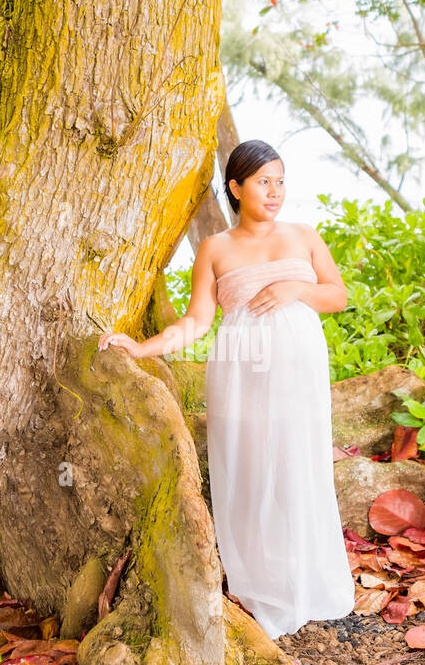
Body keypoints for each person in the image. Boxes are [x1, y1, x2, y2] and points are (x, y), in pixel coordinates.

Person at [97, 139, 356, 639]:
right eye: (264, 182)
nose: (275, 191)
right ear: (236, 188)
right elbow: (196, 321)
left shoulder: (304, 236)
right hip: (243, 371)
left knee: (300, 463)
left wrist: (295, 289)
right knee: (253, 466)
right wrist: (142, 348)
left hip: (300, 370)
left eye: (281, 180)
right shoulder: (217, 248)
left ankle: (308, 578)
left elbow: (337, 295)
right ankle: (264, 584)